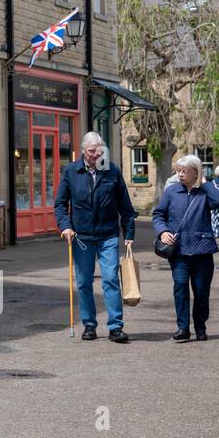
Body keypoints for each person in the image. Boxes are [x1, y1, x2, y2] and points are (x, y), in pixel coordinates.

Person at [55, 132, 137, 343]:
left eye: (100, 150)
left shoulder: (112, 170)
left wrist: (129, 233)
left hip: (108, 234)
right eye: (92, 151)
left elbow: (125, 206)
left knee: (110, 279)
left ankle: (115, 327)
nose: (96, 154)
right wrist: (65, 226)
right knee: (84, 282)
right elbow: (60, 204)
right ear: (83, 150)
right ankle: (89, 325)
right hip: (81, 236)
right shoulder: (71, 171)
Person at [153, 155, 219, 341]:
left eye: (184, 171)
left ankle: (200, 327)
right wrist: (162, 231)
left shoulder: (205, 192)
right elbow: (158, 215)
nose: (179, 174)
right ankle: (183, 328)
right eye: (178, 170)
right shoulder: (171, 192)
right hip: (178, 251)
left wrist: (205, 182)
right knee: (180, 288)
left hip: (202, 250)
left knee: (201, 291)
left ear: (195, 172)